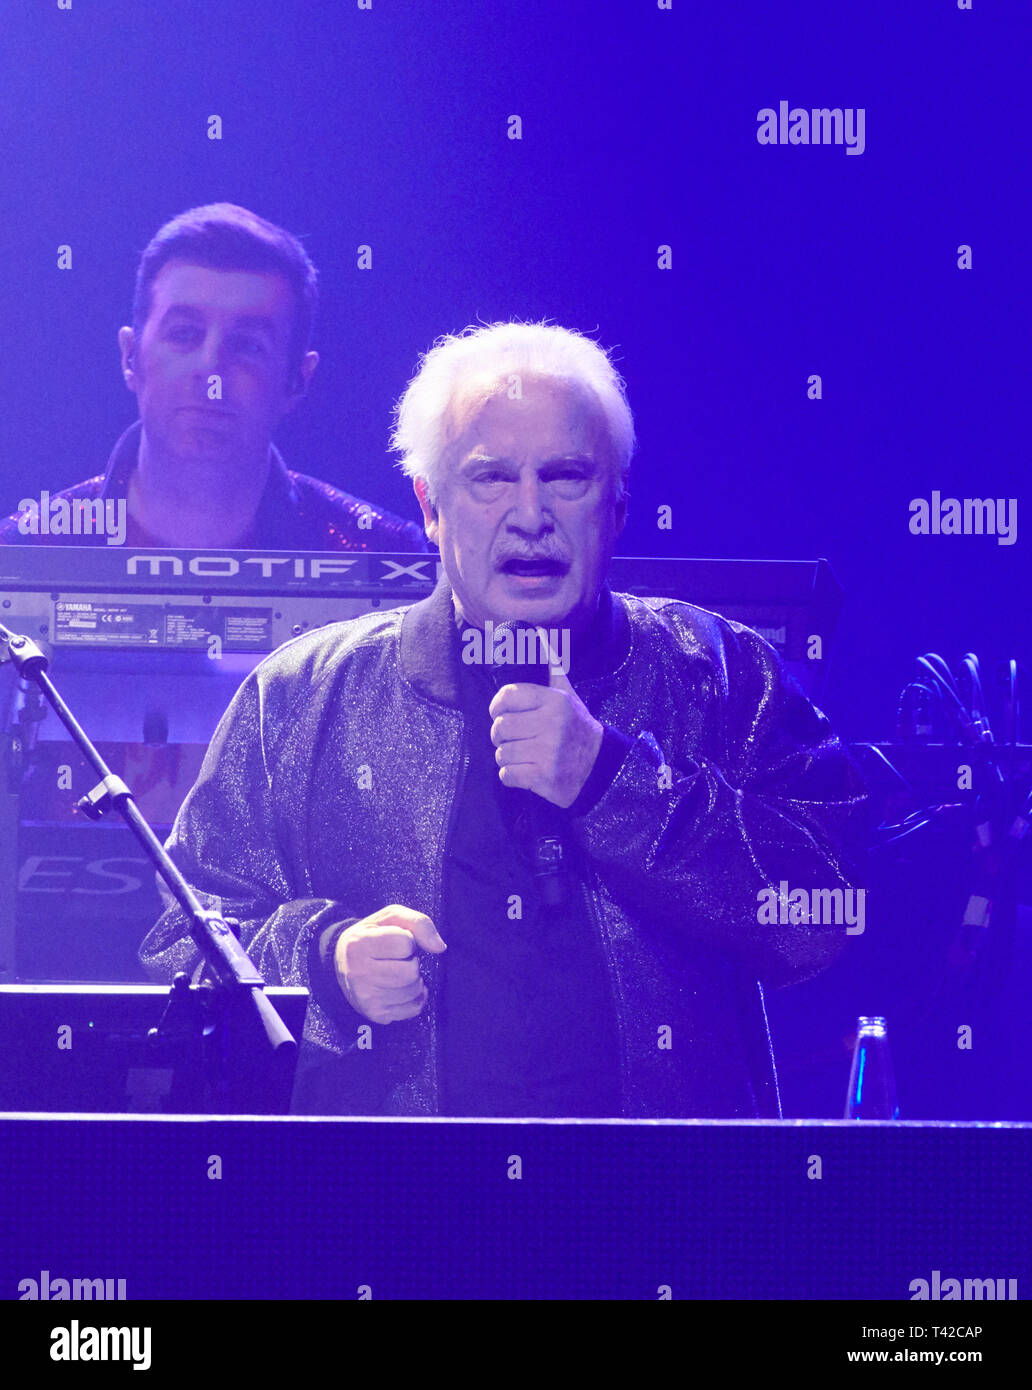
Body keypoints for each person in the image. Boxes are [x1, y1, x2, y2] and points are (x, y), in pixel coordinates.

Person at [139, 321, 868, 1119]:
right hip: (400, 1219)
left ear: (617, 505)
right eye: (491, 478)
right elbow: (184, 945)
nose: (530, 515)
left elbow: (827, 915)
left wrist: (612, 782)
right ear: (431, 506)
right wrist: (326, 960)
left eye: (566, 477)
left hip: (662, 1216)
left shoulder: (716, 672)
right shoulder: (303, 695)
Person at [0, 203, 426, 552]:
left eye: (247, 345)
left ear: (298, 379)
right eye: (184, 334)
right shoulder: (22, 550)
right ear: (131, 357)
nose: (211, 368)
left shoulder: (394, 556)